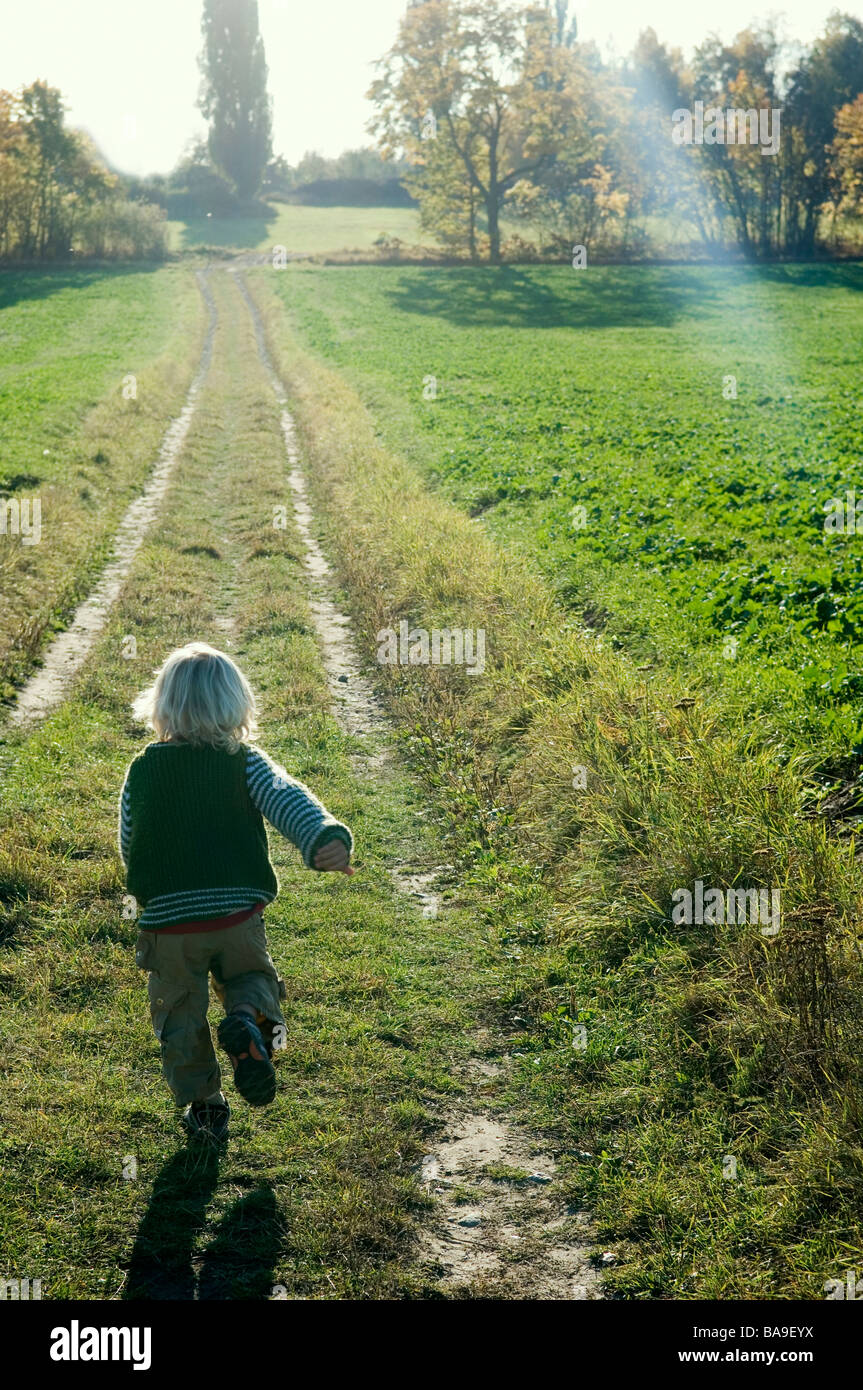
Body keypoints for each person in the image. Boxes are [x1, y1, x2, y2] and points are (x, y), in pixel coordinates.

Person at [119, 642, 353, 1140]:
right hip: (236, 915)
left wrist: (146, 893)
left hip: (170, 923)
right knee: (250, 977)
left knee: (180, 1014)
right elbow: (288, 799)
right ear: (236, 704)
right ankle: (247, 1022)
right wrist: (324, 839)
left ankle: (204, 1105)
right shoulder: (244, 761)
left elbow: (130, 838)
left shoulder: (142, 769)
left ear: (162, 706)